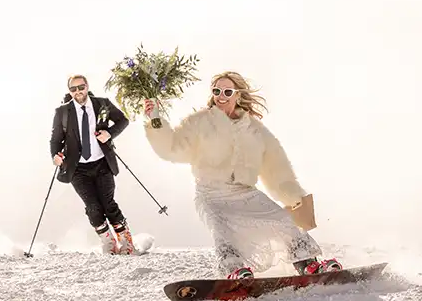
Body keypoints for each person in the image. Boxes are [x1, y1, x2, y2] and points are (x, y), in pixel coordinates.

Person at [142, 71, 342, 279]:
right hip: (211, 194)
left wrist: (293, 196)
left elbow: (276, 166)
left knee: (283, 221)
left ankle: (309, 264)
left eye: (227, 92)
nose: (221, 96)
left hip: (245, 193)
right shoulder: (199, 122)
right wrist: (155, 119)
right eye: (217, 91)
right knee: (222, 231)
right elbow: (172, 148)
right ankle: (234, 270)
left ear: (238, 95)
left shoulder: (255, 130)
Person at [50, 74, 135, 254]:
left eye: (81, 87)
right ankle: (108, 242)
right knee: (93, 207)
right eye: (73, 89)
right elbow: (56, 140)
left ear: (87, 86)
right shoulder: (62, 112)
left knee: (108, 203)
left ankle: (126, 241)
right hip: (77, 168)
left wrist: (109, 134)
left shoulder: (102, 104)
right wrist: (55, 156)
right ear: (69, 91)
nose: (78, 92)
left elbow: (123, 120)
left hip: (102, 164)